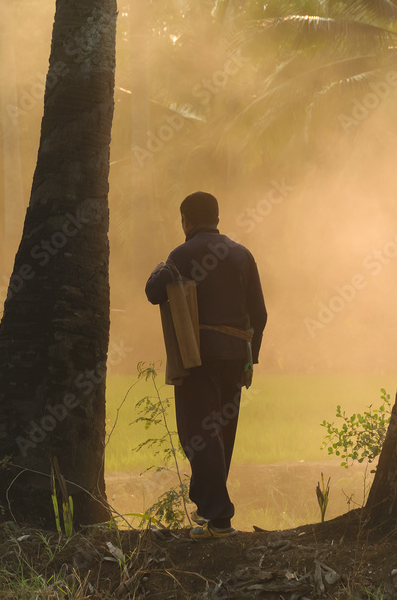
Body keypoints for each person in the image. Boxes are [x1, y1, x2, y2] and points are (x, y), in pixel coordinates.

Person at [145, 191, 267, 539]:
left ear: (186, 221)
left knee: (200, 435)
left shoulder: (181, 255)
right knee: (222, 434)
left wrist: (161, 270)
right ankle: (213, 514)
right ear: (217, 217)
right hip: (234, 356)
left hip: (196, 357)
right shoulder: (243, 255)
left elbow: (154, 292)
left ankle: (219, 520)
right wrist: (250, 357)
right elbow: (260, 314)